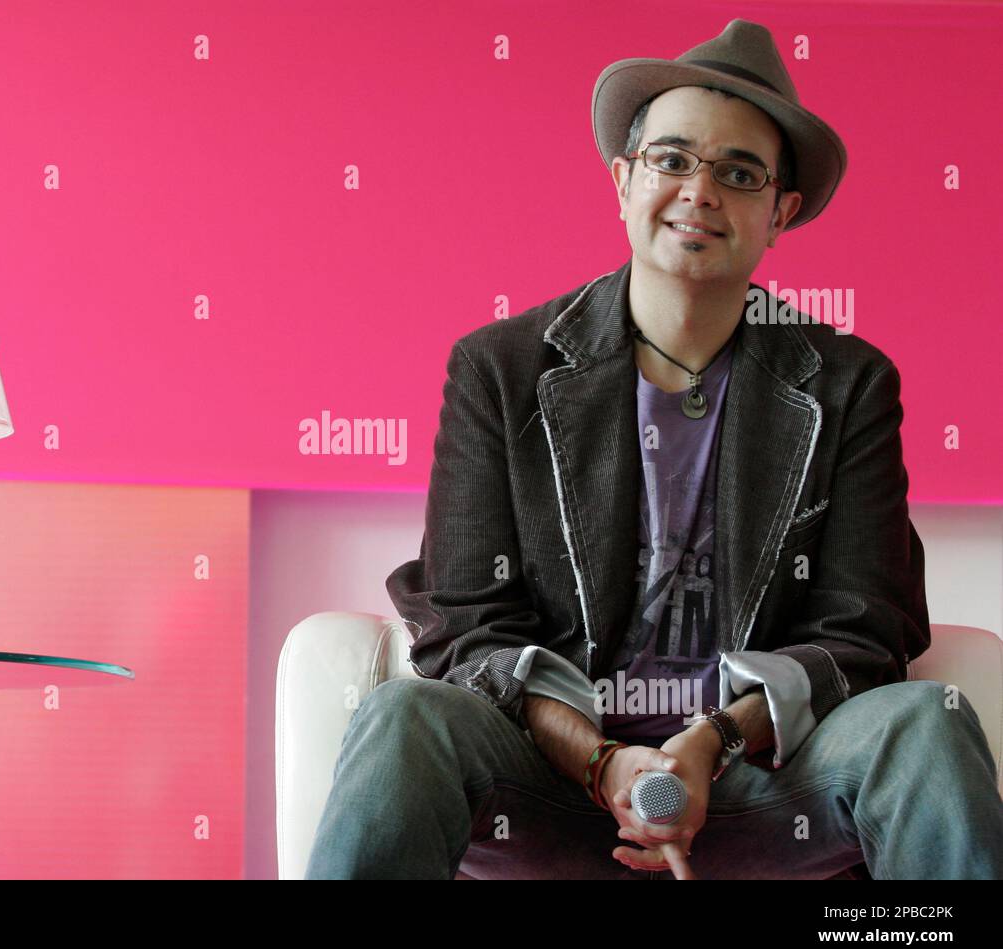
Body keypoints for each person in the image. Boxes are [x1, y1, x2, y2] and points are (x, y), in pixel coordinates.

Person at [304, 19, 1003, 880]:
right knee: (405, 717)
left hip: (762, 787)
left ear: (779, 211)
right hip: (548, 787)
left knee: (924, 719)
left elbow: (865, 630)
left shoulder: (847, 384)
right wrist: (604, 764)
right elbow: (464, 625)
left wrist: (709, 744)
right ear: (625, 181)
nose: (699, 192)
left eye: (739, 174)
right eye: (672, 160)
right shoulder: (500, 370)